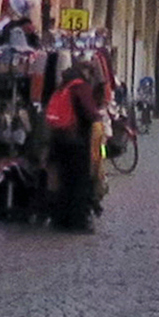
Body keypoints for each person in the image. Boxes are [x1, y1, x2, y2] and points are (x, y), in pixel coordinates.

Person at [45, 61, 100, 229]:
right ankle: (77, 221)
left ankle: (59, 219)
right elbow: (90, 113)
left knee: (63, 181)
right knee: (79, 182)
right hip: (76, 141)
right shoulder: (80, 87)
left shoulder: (63, 86)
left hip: (58, 140)